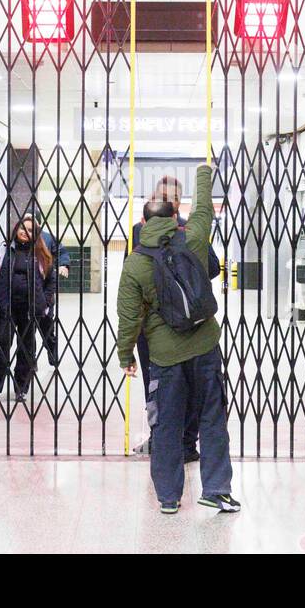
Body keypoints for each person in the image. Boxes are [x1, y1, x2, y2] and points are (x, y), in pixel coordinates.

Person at [117, 163, 239, 514]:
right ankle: (216, 489)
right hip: (204, 347)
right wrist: (204, 172)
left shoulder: (135, 263)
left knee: (166, 424)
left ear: (143, 221)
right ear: (175, 214)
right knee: (212, 417)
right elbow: (204, 209)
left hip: (165, 357)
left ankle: (169, 498)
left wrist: (126, 355)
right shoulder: (195, 238)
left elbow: (128, 317)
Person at [130, 175, 221, 462]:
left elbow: (213, 266)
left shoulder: (190, 229)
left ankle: (186, 444)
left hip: (186, 322)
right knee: (155, 385)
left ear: (180, 202)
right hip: (153, 326)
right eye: (161, 196)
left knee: (191, 387)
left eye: (171, 197)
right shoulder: (138, 229)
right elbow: (130, 273)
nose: (166, 202)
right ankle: (160, 439)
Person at [0, 216, 57, 403]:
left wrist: (46, 302)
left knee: (26, 348)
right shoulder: (4, 250)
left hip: (29, 309)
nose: (25, 232)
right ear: (16, 228)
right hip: (7, 307)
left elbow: (51, 280)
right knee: (2, 345)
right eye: (22, 228)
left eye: (30, 230)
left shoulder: (41, 253)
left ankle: (21, 389)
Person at [22, 212, 68, 366]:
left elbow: (61, 252)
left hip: (44, 292)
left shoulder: (47, 238)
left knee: (47, 328)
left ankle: (52, 353)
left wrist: (63, 264)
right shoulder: (19, 239)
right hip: (26, 293)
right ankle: (31, 361)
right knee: (29, 331)